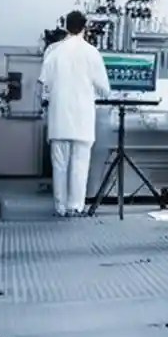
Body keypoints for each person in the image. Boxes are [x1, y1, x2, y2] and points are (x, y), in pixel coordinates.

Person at [38, 11, 111, 217]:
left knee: (59, 165)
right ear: (85, 27)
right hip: (82, 118)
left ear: (66, 26)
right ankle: (75, 206)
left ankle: (59, 207)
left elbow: (44, 84)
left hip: (58, 117)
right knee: (80, 164)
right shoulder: (91, 53)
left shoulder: (54, 51)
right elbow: (104, 88)